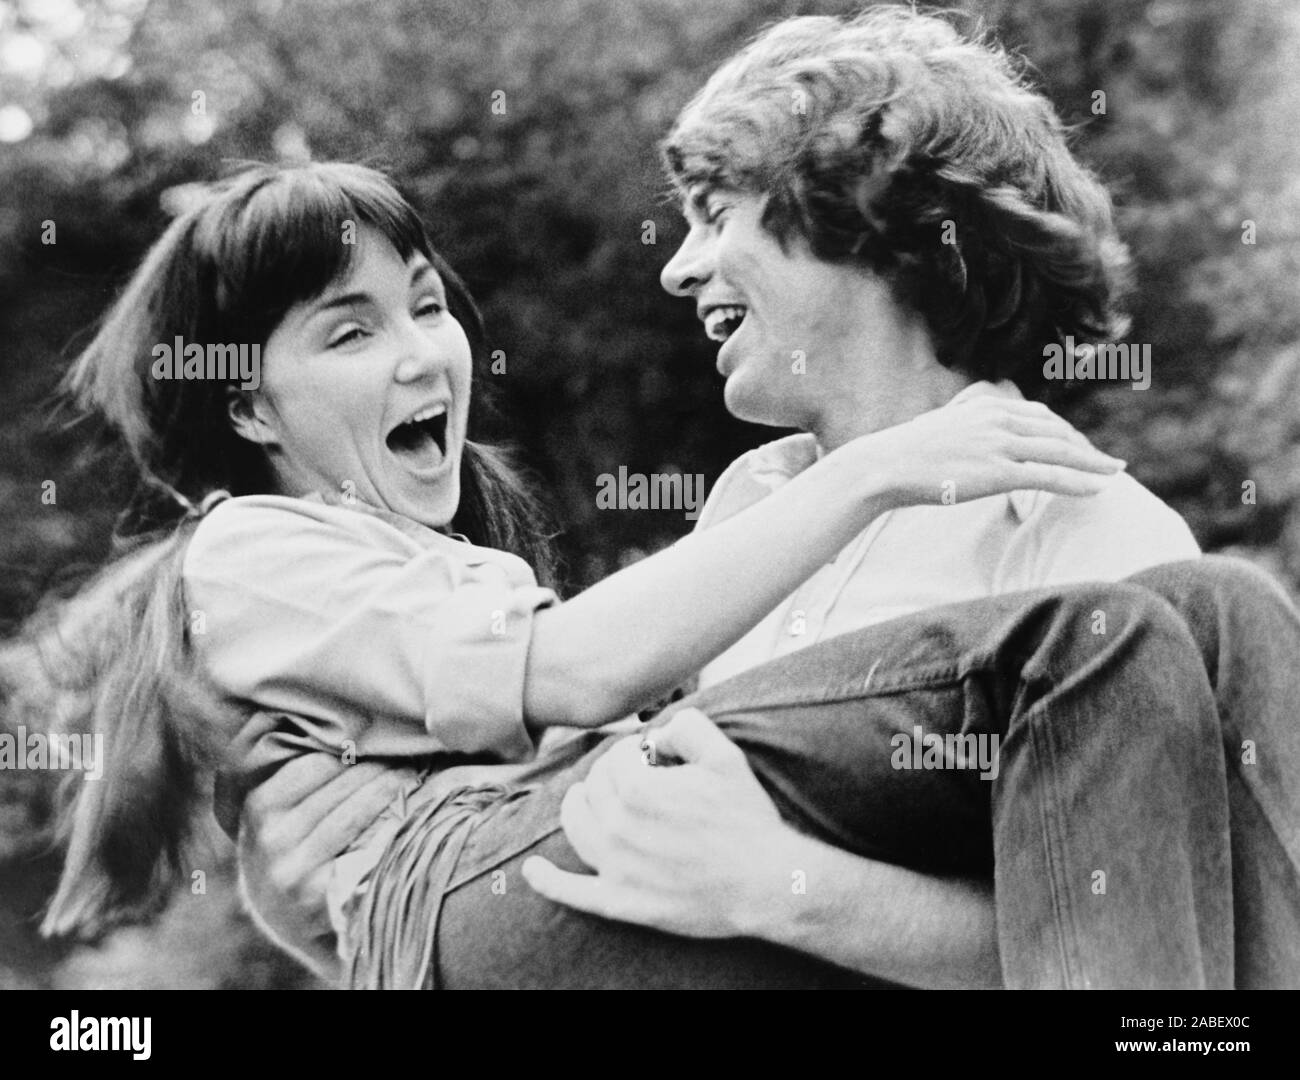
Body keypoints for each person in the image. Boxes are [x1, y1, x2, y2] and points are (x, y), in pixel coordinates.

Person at [236, 9, 1300, 989]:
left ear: (863, 214)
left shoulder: (1089, 531)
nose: (678, 271)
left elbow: (1153, 937)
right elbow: (618, 902)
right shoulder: (752, 509)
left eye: (714, 216)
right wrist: (331, 901)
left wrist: (790, 890)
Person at [24, 158, 1130, 987]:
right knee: (1098, 644)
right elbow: (577, 675)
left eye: (424, 305)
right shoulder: (254, 548)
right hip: (516, 890)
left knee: (1180, 621)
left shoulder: (436, 562)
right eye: (348, 334)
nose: (422, 351)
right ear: (248, 405)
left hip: (548, 895)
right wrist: (872, 478)